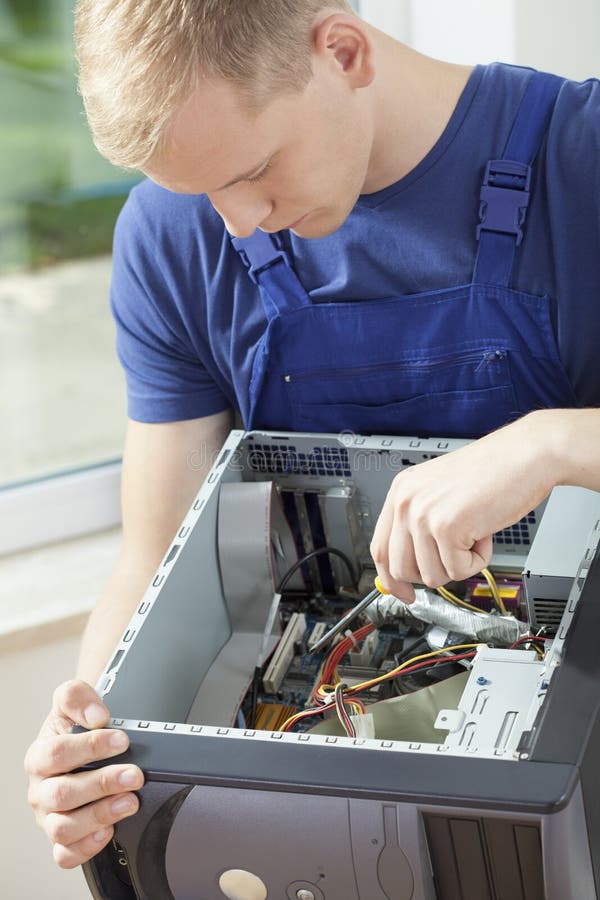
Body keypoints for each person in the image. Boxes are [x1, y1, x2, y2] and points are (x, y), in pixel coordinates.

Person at [25, 0, 600, 871]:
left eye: (254, 169)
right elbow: (153, 562)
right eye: (200, 190)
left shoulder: (582, 159)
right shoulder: (171, 237)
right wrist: (91, 743)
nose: (238, 223)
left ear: (342, 51)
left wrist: (552, 445)